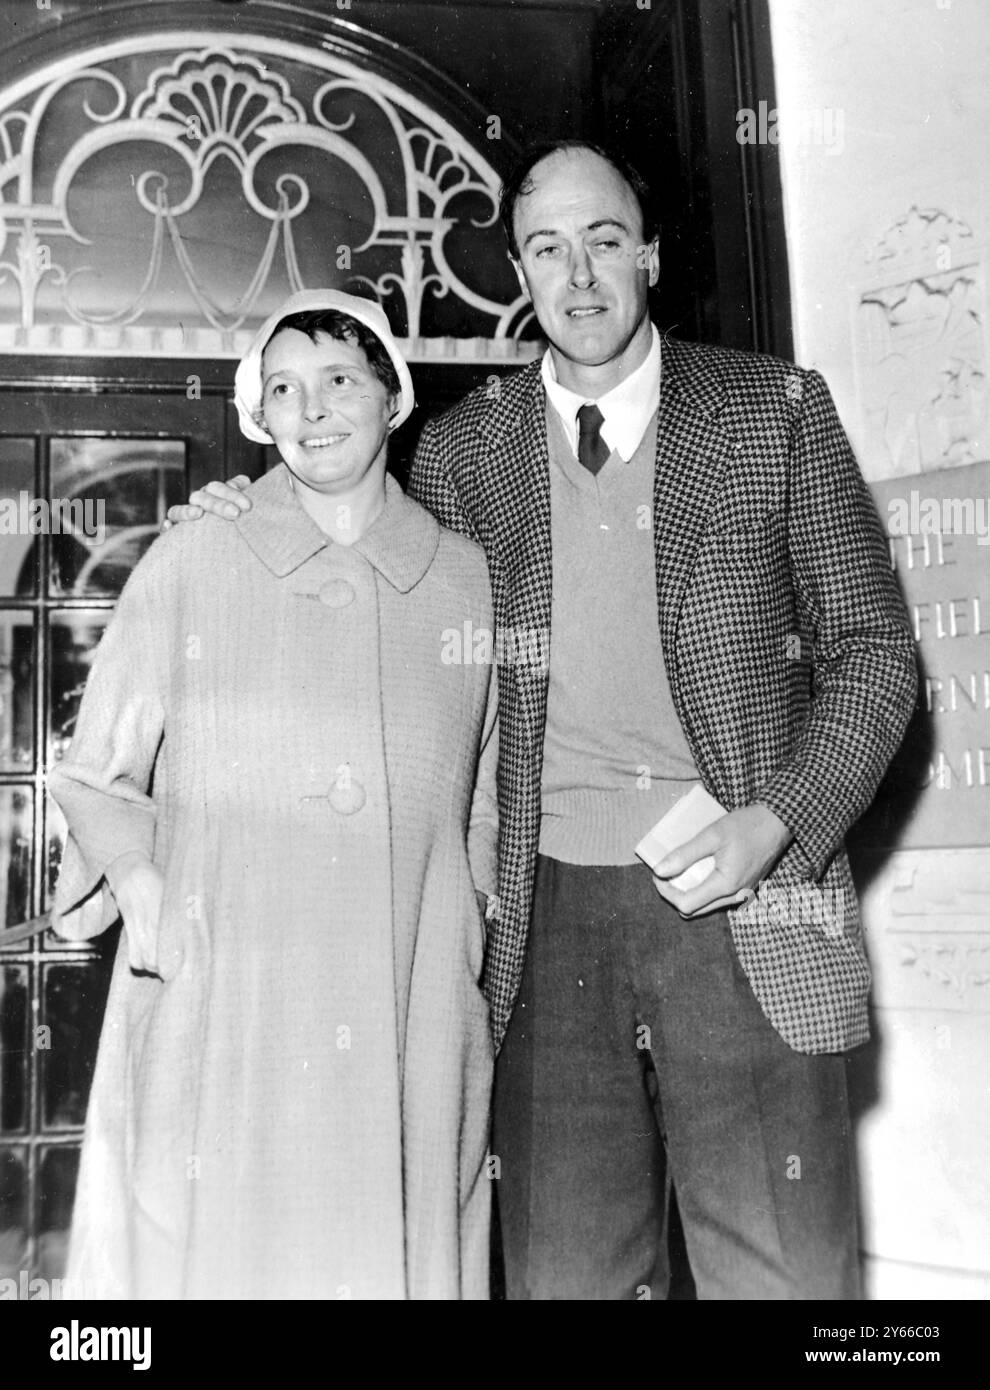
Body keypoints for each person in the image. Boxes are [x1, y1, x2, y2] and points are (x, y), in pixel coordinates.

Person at [170, 143, 918, 1300]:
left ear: (651, 255)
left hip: (751, 905)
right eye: (547, 249)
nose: (578, 276)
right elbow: (363, 568)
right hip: (543, 924)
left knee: (788, 1284)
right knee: (567, 1281)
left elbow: (875, 656)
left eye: (604, 240)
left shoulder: (776, 408)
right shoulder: (468, 448)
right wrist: (239, 511)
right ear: (518, 269)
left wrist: (775, 824)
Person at [49, 289, 498, 1300]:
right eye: (282, 387)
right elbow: (93, 773)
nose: (313, 406)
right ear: (260, 416)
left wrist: (466, 930)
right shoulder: (197, 553)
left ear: (394, 398)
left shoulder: (465, 582)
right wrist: (145, 886)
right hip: (231, 1000)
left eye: (340, 377)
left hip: (409, 1002)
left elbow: (490, 798)